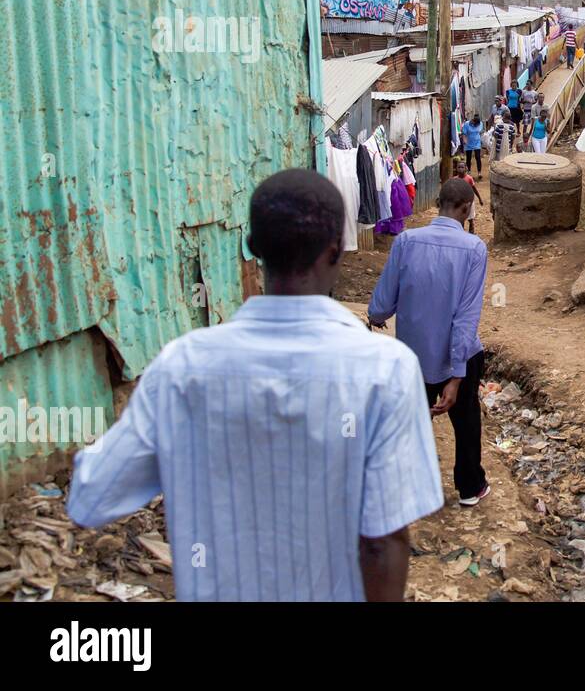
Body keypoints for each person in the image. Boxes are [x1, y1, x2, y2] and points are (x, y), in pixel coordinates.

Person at [67, 170, 443, 601]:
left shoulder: (181, 368)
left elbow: (90, 498)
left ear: (252, 248)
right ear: (337, 250)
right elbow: (383, 544)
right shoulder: (386, 370)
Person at [368, 178, 491, 507]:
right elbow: (466, 318)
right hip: (458, 356)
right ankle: (470, 487)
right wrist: (455, 376)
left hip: (413, 356)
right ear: (465, 208)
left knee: (411, 423)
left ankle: (409, 489)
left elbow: (381, 305)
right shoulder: (474, 249)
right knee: (465, 422)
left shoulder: (406, 241)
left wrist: (377, 317)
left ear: (439, 203)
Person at [452, 157, 484, 234]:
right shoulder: (455, 179)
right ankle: (461, 233)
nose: (460, 169)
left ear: (466, 168)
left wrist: (480, 199)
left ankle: (471, 231)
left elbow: (474, 189)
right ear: (456, 169)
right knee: (461, 218)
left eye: (462, 167)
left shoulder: (469, 178)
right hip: (460, 201)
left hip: (469, 201)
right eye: (459, 167)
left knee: (470, 218)